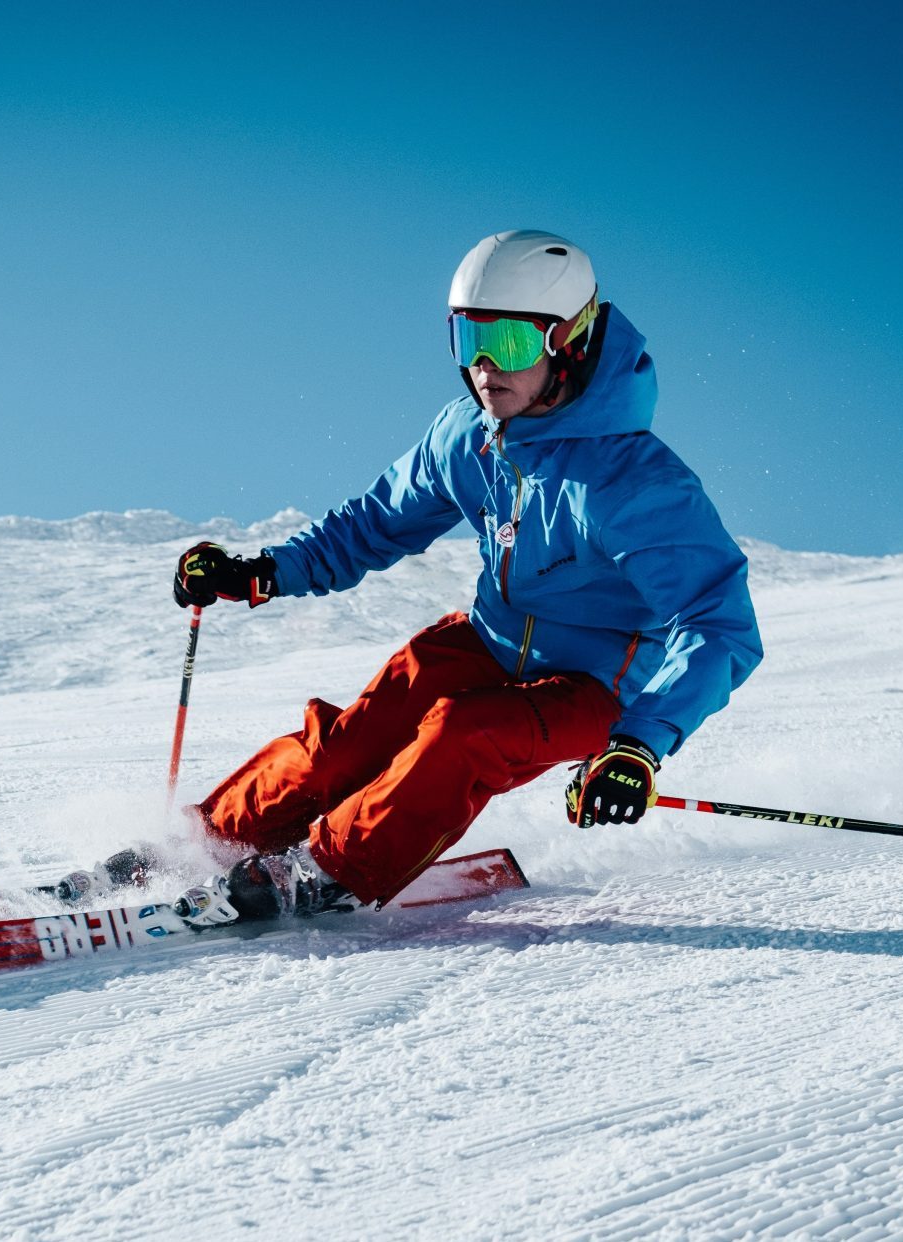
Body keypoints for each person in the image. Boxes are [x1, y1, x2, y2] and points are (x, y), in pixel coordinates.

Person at [167, 229, 763, 926]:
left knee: (465, 731)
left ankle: (328, 871)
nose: (483, 367)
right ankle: (204, 841)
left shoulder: (633, 483)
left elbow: (718, 625)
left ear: (566, 341)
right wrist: (262, 571)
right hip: (488, 640)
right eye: (467, 340)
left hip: (597, 686)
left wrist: (640, 744)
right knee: (352, 742)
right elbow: (374, 523)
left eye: (507, 344)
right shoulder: (468, 435)